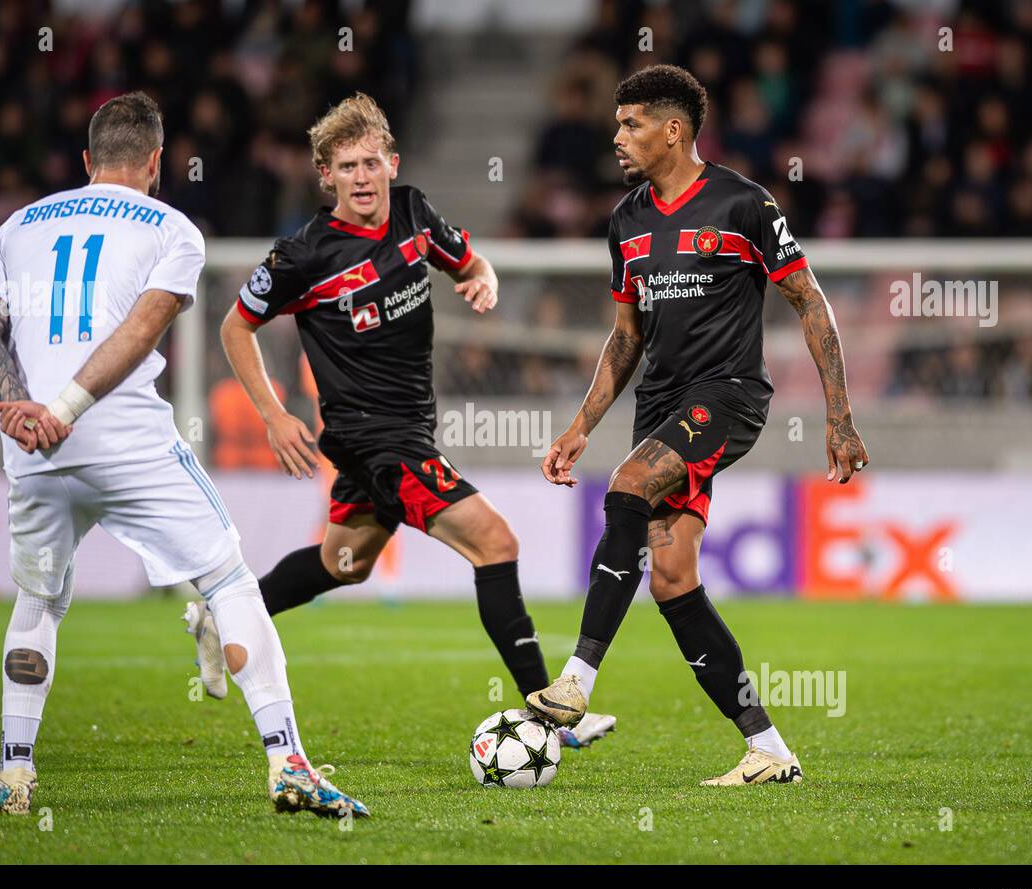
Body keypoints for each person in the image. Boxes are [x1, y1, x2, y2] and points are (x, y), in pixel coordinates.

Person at [0, 92, 366, 820]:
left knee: (39, 602)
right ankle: (289, 763)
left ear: (86, 162)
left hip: (29, 442)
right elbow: (145, 327)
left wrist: (26, 410)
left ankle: (13, 776)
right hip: (121, 437)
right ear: (155, 162)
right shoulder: (173, 227)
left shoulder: (15, 225)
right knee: (228, 581)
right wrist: (65, 412)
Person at [184, 92, 616, 747]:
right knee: (495, 542)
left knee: (346, 562)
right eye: (345, 166)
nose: (361, 177)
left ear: (393, 162)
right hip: (373, 437)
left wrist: (483, 280)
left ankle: (222, 611)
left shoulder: (414, 212)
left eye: (370, 162)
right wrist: (272, 414)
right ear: (324, 175)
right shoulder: (303, 255)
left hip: (410, 428)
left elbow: (471, 263)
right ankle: (550, 708)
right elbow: (234, 326)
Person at [528, 66, 870, 786]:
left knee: (625, 488)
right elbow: (625, 337)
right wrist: (581, 424)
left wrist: (839, 417)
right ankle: (769, 747)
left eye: (631, 124)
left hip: (729, 395)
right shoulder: (626, 221)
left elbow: (810, 302)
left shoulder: (742, 204)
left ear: (673, 129)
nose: (617, 136)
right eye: (618, 124)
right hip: (660, 407)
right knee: (673, 579)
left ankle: (577, 679)